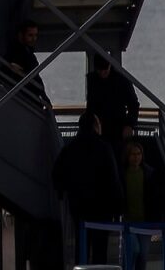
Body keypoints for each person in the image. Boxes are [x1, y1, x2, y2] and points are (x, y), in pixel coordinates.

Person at [52, 111, 123, 262]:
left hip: (78, 206)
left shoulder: (70, 148)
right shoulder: (104, 147)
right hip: (102, 208)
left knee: (81, 245)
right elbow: (113, 178)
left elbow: (57, 174)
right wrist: (118, 207)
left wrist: (62, 191)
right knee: (100, 248)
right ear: (95, 126)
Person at [119, 139, 165, 269]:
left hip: (146, 220)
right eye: (133, 154)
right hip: (128, 220)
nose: (136, 157)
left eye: (138, 154)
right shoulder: (123, 174)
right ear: (127, 156)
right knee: (132, 250)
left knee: (143, 254)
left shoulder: (149, 173)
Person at [86, 54, 140, 143]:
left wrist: (129, 125)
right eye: (100, 70)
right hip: (98, 129)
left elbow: (133, 104)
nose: (102, 72)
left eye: (105, 69)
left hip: (118, 129)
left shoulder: (122, 80)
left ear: (110, 66)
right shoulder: (92, 80)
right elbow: (90, 105)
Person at [4, 19, 50, 108]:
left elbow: (35, 77)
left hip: (29, 97)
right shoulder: (16, 53)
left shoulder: (28, 53)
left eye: (35, 35)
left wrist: (44, 97)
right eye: (30, 35)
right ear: (21, 35)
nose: (34, 39)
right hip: (24, 99)